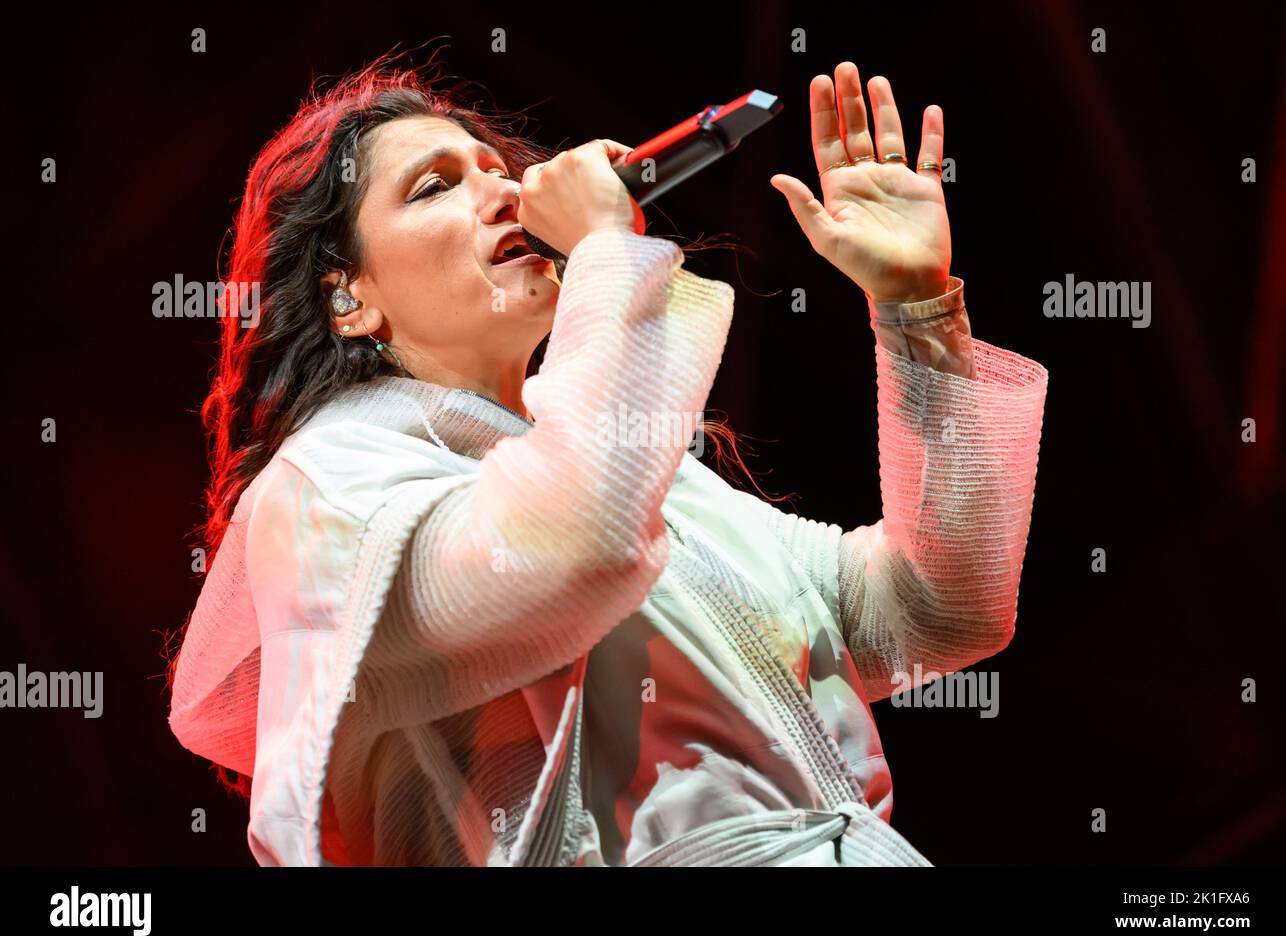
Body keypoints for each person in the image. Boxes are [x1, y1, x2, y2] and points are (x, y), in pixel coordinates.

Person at [165, 54, 1048, 866]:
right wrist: (606, 252)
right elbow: (575, 541)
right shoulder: (326, 494)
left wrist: (916, 309)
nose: (506, 195)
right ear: (349, 298)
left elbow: (934, 615)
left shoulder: (667, 490)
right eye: (434, 187)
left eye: (500, 172)